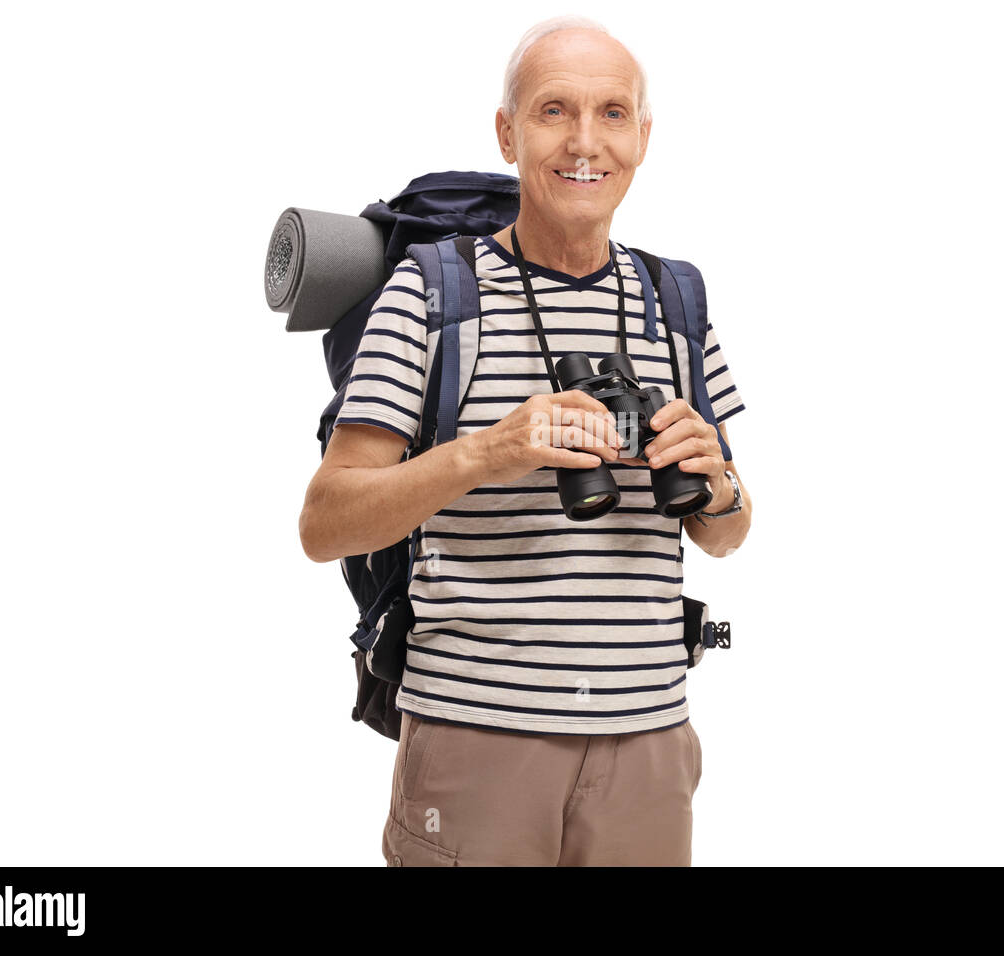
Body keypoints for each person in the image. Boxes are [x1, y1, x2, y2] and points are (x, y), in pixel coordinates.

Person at [298, 15, 752, 866]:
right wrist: (488, 451)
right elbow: (325, 523)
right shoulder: (431, 295)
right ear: (507, 131)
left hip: (650, 745)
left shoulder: (677, 301)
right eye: (554, 110)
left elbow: (728, 532)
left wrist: (718, 484)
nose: (586, 142)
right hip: (477, 741)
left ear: (644, 137)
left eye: (613, 113)